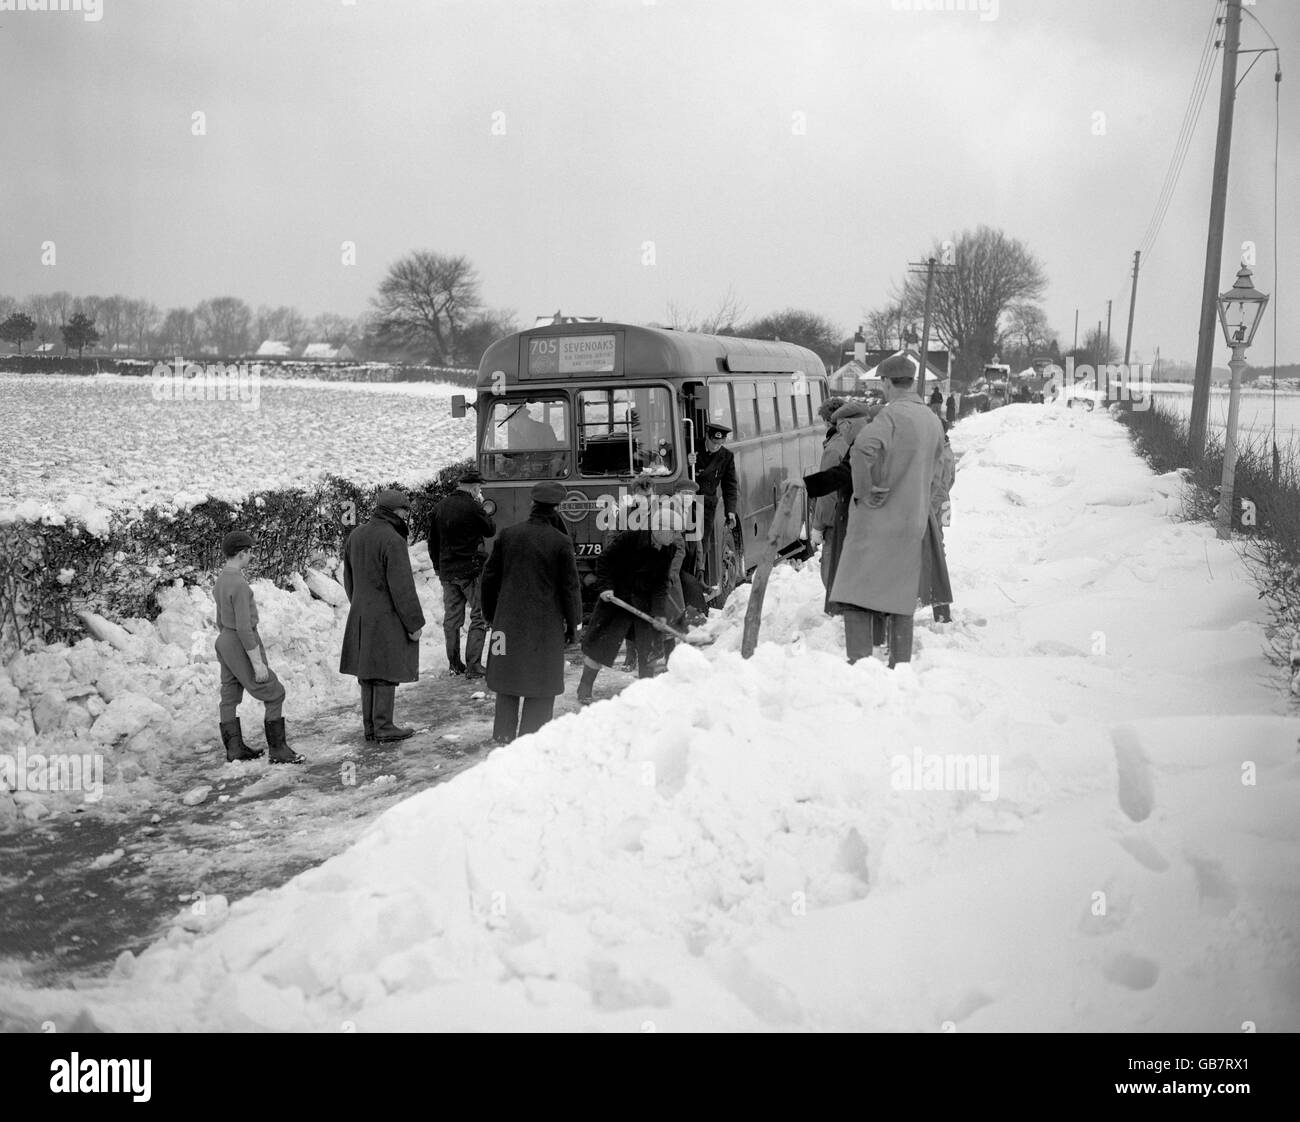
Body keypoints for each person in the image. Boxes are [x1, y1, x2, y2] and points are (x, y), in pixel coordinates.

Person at [830, 355, 951, 667]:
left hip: (879, 519)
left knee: (854, 588)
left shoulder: (889, 416)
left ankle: (859, 663)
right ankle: (900, 662)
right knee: (899, 592)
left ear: (885, 382)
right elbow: (939, 470)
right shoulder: (931, 419)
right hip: (914, 520)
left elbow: (861, 450)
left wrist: (864, 491)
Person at [480, 481, 582, 744]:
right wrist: (573, 627)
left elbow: (489, 578)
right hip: (545, 628)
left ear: (532, 505)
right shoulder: (560, 542)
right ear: (557, 507)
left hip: (505, 626)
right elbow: (570, 588)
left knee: (506, 681)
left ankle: (503, 739)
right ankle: (530, 743)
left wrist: (491, 615)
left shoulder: (508, 534)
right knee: (541, 686)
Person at [340, 489, 425, 743]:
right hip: (386, 614)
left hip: (361, 612)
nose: (406, 516)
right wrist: (414, 623)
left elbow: (348, 578)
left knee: (367, 671)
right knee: (386, 669)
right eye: (405, 511)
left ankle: (371, 727)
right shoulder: (392, 540)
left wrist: (359, 603)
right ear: (396, 512)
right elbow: (402, 586)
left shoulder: (356, 535)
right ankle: (384, 726)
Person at [213, 530, 303, 764]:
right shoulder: (240, 585)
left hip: (224, 639)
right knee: (274, 693)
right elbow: (244, 628)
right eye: (250, 552)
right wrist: (257, 663)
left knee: (229, 694)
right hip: (241, 641)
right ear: (242, 553)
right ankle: (278, 751)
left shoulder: (221, 579)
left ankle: (235, 750)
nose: (252, 556)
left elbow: (220, 620)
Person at [576, 508, 679, 705]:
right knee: (601, 645)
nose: (675, 536)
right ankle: (585, 687)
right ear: (658, 529)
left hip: (644, 602)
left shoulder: (668, 549)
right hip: (616, 597)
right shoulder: (630, 539)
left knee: (647, 648)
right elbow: (604, 560)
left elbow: (660, 584)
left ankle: (645, 691)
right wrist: (605, 587)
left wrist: (659, 613)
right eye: (673, 531)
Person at [804, 401, 875, 615]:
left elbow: (832, 488)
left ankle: (841, 613)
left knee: (832, 567)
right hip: (859, 521)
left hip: (841, 521)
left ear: (843, 424)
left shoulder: (838, 448)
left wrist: (817, 525)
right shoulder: (869, 442)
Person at [428, 468, 495, 678]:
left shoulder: (440, 507)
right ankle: (474, 665)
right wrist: (481, 506)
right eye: (479, 488)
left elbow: (432, 543)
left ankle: (454, 664)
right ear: (474, 488)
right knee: (478, 616)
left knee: (452, 618)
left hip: (448, 571)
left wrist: (439, 568)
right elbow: (490, 530)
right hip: (470, 571)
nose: (479, 491)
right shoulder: (473, 507)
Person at [695, 421, 739, 584]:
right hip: (689, 500)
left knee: (703, 540)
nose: (716, 447)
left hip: (707, 504)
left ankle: (700, 577)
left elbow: (730, 485)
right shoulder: (691, 445)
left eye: (720, 443)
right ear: (707, 436)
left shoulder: (727, 456)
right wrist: (687, 461)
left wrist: (730, 511)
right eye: (714, 442)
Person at [929, 428, 957, 624]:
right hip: (944, 501)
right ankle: (942, 611)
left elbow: (935, 483)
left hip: (935, 504)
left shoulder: (937, 452)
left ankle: (941, 611)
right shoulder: (948, 450)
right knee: (939, 548)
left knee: (935, 553)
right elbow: (951, 480)